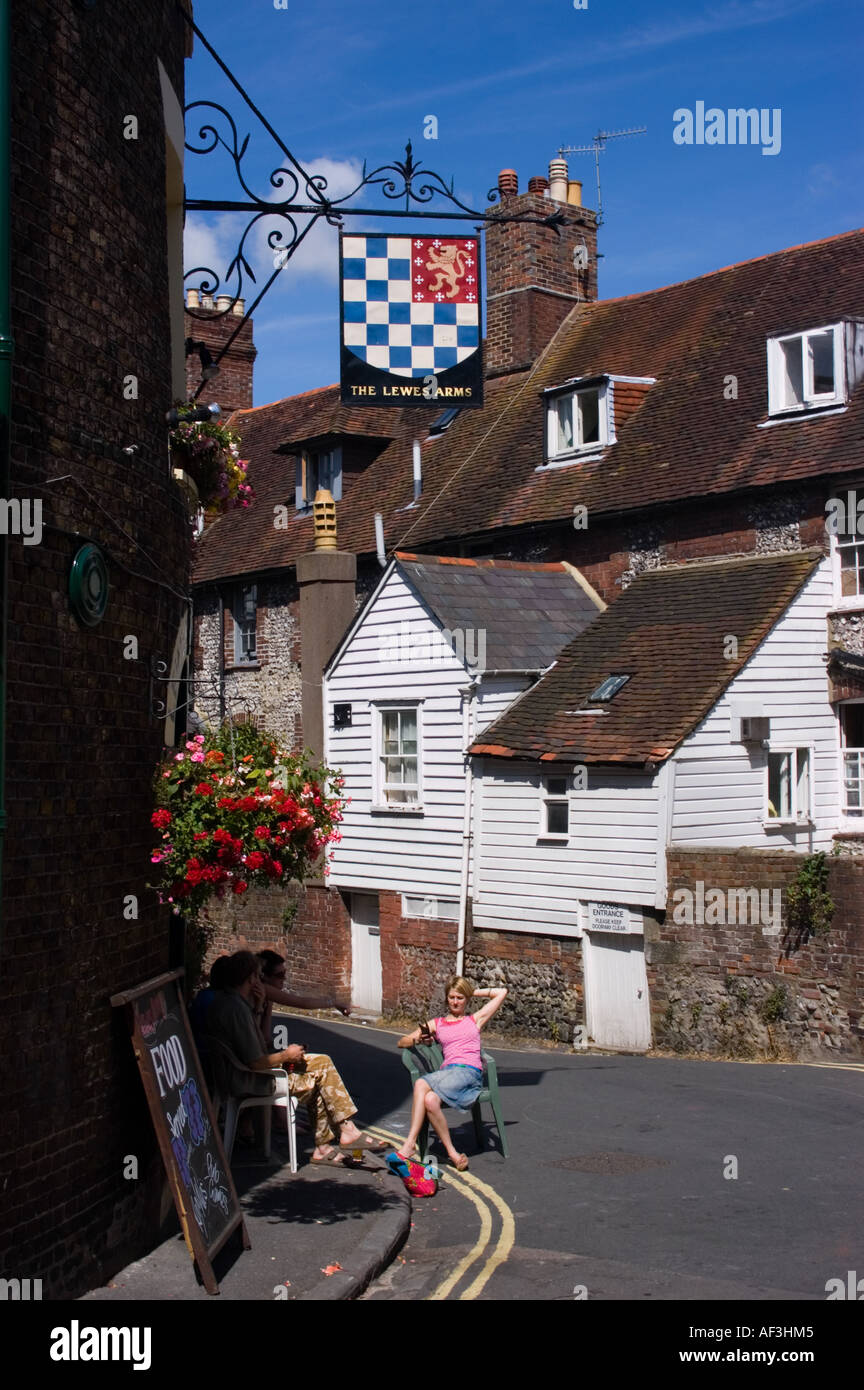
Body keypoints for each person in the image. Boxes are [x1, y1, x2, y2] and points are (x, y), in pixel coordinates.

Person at [204, 951, 388, 1165]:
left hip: (241, 1074)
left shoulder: (233, 1004)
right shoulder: (236, 1010)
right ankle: (340, 1134)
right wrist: (285, 1055)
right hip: (250, 1080)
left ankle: (334, 1140)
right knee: (320, 1078)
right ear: (251, 978)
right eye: (258, 975)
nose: (260, 980)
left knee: (322, 1063)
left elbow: (258, 1044)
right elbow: (255, 1062)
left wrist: (259, 1007)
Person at [396, 976, 508, 1171]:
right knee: (430, 1100)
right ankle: (453, 1154)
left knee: (421, 1084)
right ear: (446, 999)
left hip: (469, 1073)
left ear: (466, 1000)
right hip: (448, 1074)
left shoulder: (475, 1019)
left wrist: (470, 991)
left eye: (460, 998)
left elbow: (502, 992)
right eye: (452, 997)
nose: (455, 1002)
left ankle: (410, 1144)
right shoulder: (437, 1023)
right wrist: (419, 1040)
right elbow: (402, 1042)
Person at [253, 949, 350, 1046]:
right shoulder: (263, 987)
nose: (284, 978)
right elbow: (303, 1002)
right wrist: (334, 1003)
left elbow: (265, 1038)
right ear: (264, 977)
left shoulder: (267, 996)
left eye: (284, 973)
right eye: (280, 975)